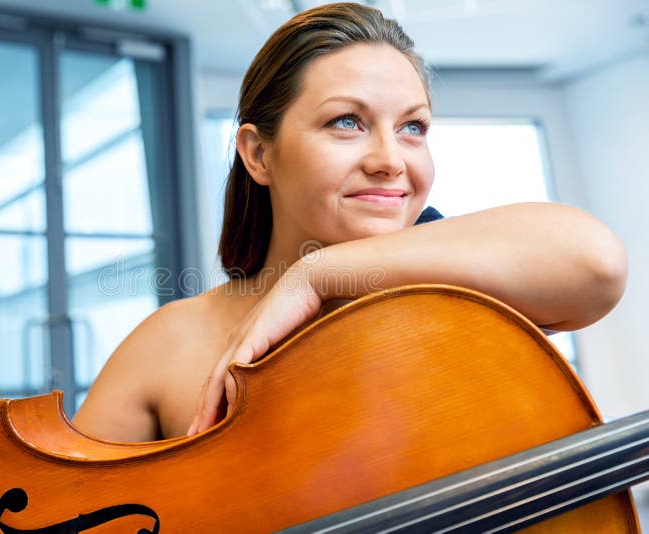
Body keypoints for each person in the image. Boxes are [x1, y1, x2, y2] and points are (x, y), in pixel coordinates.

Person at [72, 3, 627, 442]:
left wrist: (315, 274)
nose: (391, 159)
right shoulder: (169, 343)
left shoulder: (464, 299)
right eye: (347, 122)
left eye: (414, 127)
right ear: (258, 155)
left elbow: (596, 262)